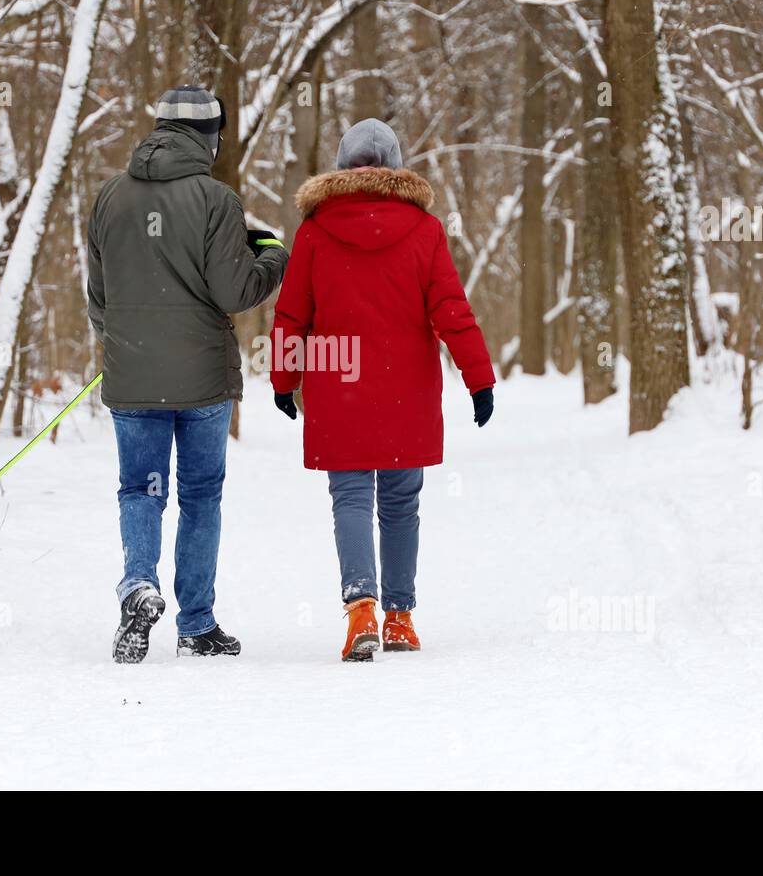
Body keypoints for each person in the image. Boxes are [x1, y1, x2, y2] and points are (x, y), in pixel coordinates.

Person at [269, 118, 495, 662]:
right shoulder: (424, 230)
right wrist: (478, 378)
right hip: (406, 388)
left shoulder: (315, 230)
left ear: (344, 169)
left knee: (349, 497)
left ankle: (360, 611)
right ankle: (398, 618)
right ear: (395, 168)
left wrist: (285, 378)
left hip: (335, 384)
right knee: (400, 504)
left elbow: (293, 313)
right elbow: (451, 310)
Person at [86, 85, 288, 662]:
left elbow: (99, 298)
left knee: (140, 490)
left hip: (132, 374)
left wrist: (126, 343)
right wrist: (271, 252)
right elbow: (236, 289)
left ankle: (138, 585)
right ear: (209, 136)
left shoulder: (109, 197)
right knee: (200, 497)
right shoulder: (217, 200)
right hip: (201, 378)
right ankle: (196, 624)